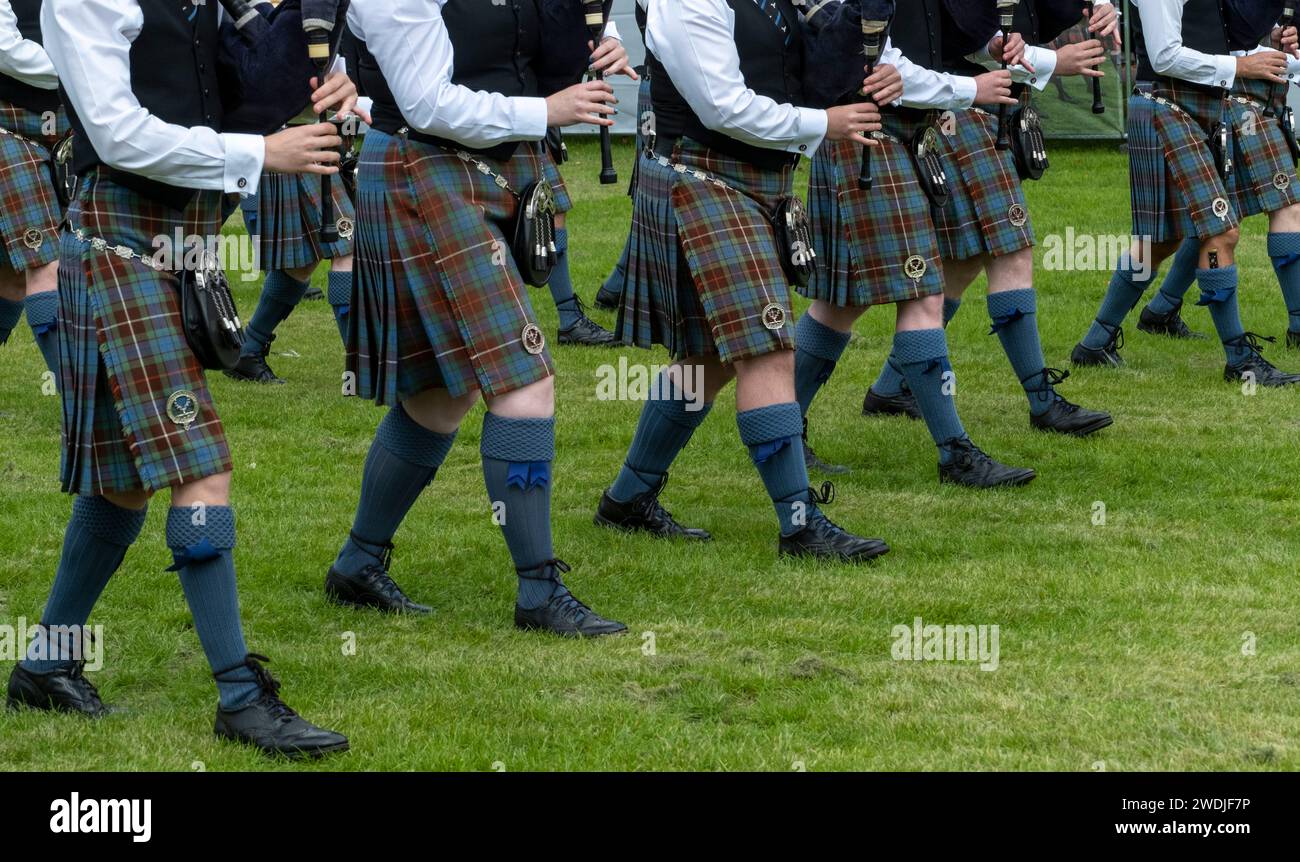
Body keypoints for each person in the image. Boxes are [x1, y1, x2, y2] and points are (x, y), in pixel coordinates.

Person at [7, 0, 354, 758]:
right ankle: (238, 696)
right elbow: (116, 131)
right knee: (201, 468)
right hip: (120, 245)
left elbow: (239, 77)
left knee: (124, 483)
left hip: (183, 249)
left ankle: (45, 663)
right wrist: (261, 154)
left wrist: (329, 77)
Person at [334, 0, 630, 636]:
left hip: (498, 161)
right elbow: (426, 103)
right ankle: (538, 591)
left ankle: (358, 562)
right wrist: (548, 111)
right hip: (425, 166)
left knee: (442, 395)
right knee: (524, 380)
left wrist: (597, 41)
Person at [595, 0, 889, 561]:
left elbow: (816, 56)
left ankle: (627, 499)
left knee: (712, 358)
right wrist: (824, 123)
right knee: (767, 348)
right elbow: (722, 107)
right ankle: (800, 525)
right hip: (703, 176)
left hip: (759, 178)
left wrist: (873, 68)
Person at [795, 0, 1038, 487]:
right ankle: (955, 454)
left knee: (844, 305)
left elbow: (913, 52)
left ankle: (786, 427)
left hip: (902, 130)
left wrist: (988, 47)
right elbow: (885, 66)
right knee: (915, 293)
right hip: (864, 134)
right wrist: (970, 89)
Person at [859, 0, 1113, 439]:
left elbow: (970, 28)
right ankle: (1040, 402)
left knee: (976, 256)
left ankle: (891, 387)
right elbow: (896, 58)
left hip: (950, 101)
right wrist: (1048, 60)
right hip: (934, 107)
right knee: (1004, 247)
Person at [1071, 0, 1300, 386]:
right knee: (1220, 231)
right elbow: (1164, 56)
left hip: (1198, 102)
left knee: (1163, 242)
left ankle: (1095, 343)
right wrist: (1239, 67)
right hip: (1164, 103)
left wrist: (1261, 48)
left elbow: (1214, 35)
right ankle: (1240, 361)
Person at [1132, 16, 1300, 349]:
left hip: (1229, 89)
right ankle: (1099, 338)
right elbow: (1165, 55)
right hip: (1182, 97)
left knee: (1219, 220)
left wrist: (1271, 33)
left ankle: (1156, 313)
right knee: (1172, 237)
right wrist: (1241, 62)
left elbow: (1231, 26)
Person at [225, 0, 358, 384]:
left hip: (306, 137)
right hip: (284, 143)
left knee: (302, 261)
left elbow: (329, 67)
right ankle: (362, 364)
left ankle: (249, 350)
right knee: (347, 246)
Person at [0, 0, 65, 382]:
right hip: (5, 125)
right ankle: (78, 398)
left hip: (60, 127)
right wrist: (89, 68)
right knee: (46, 261)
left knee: (9, 272)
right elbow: (8, 52)